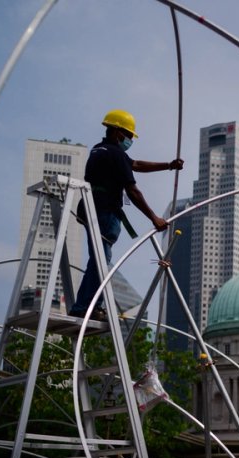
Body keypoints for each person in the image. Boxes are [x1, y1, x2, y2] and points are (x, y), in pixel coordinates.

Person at [69, 109, 184, 319]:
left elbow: (136, 165)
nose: (130, 139)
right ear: (117, 132)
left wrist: (168, 166)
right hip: (104, 212)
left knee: (98, 260)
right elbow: (133, 190)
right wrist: (154, 218)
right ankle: (86, 307)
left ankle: (86, 305)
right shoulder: (115, 154)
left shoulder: (100, 150)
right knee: (101, 261)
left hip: (90, 209)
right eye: (129, 135)